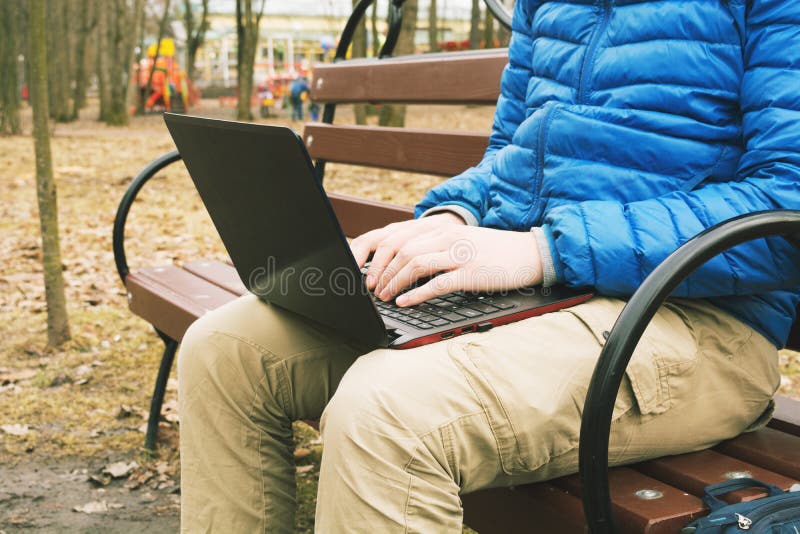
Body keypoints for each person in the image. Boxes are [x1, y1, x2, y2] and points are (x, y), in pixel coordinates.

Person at [177, 1, 800, 532]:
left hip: (695, 319)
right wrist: (452, 217)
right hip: (539, 297)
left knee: (388, 413)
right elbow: (507, 155)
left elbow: (788, 204)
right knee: (224, 349)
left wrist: (545, 249)